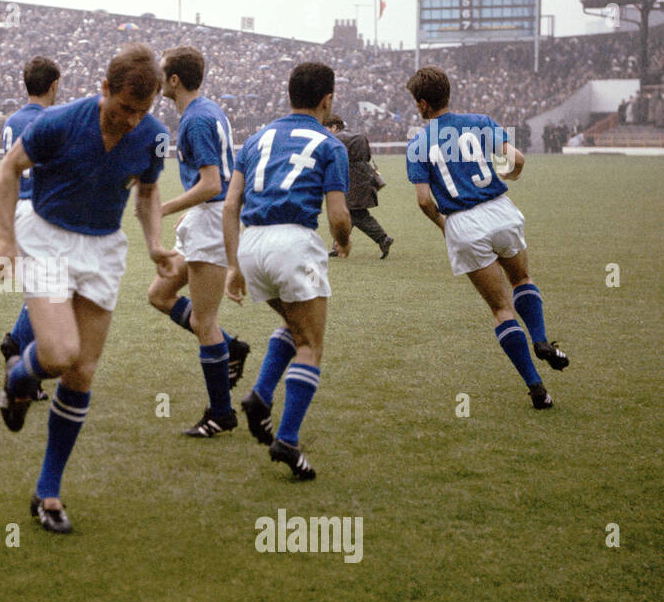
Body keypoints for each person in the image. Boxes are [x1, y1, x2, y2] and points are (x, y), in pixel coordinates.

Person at [0, 44, 179, 533]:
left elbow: (147, 191)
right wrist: (6, 238)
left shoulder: (153, 137)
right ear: (104, 90)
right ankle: (18, 379)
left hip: (102, 249)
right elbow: (11, 168)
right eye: (123, 108)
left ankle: (47, 492)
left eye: (143, 111)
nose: (132, 120)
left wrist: (156, 244)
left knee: (82, 371)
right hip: (47, 238)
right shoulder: (59, 121)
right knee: (56, 354)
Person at [405, 65, 568, 409]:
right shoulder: (479, 121)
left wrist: (445, 225)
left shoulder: (418, 143)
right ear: (448, 93)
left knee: (500, 308)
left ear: (422, 103)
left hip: (462, 223)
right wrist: (510, 173)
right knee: (522, 278)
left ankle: (537, 388)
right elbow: (517, 160)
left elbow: (423, 200)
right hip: (499, 209)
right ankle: (540, 339)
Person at [223, 62, 351, 480]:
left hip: (252, 244)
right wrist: (344, 240)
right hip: (293, 245)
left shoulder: (256, 139)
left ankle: (260, 396)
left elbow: (230, 206)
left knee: (295, 325)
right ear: (326, 100)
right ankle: (288, 440)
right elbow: (338, 216)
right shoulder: (331, 145)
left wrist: (232, 264)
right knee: (311, 343)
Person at [144, 46, 252, 437]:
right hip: (205, 221)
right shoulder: (206, 110)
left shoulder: (195, 121)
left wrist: (163, 208)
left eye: (162, 74)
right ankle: (232, 348)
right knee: (159, 295)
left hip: (210, 220)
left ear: (174, 80)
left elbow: (211, 184)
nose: (158, 81)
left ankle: (220, 414)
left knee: (203, 322)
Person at [0, 55, 60, 402]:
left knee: (45, 286)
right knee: (53, 287)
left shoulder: (12, 120)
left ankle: (23, 358)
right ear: (53, 85)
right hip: (41, 209)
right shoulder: (52, 119)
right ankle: (18, 347)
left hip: (18, 208)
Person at [324, 115, 392, 258]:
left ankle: (383, 239)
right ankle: (338, 246)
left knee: (356, 215)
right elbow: (367, 157)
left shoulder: (336, 139)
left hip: (352, 182)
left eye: (326, 128)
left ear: (334, 127)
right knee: (350, 213)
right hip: (364, 179)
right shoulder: (358, 136)